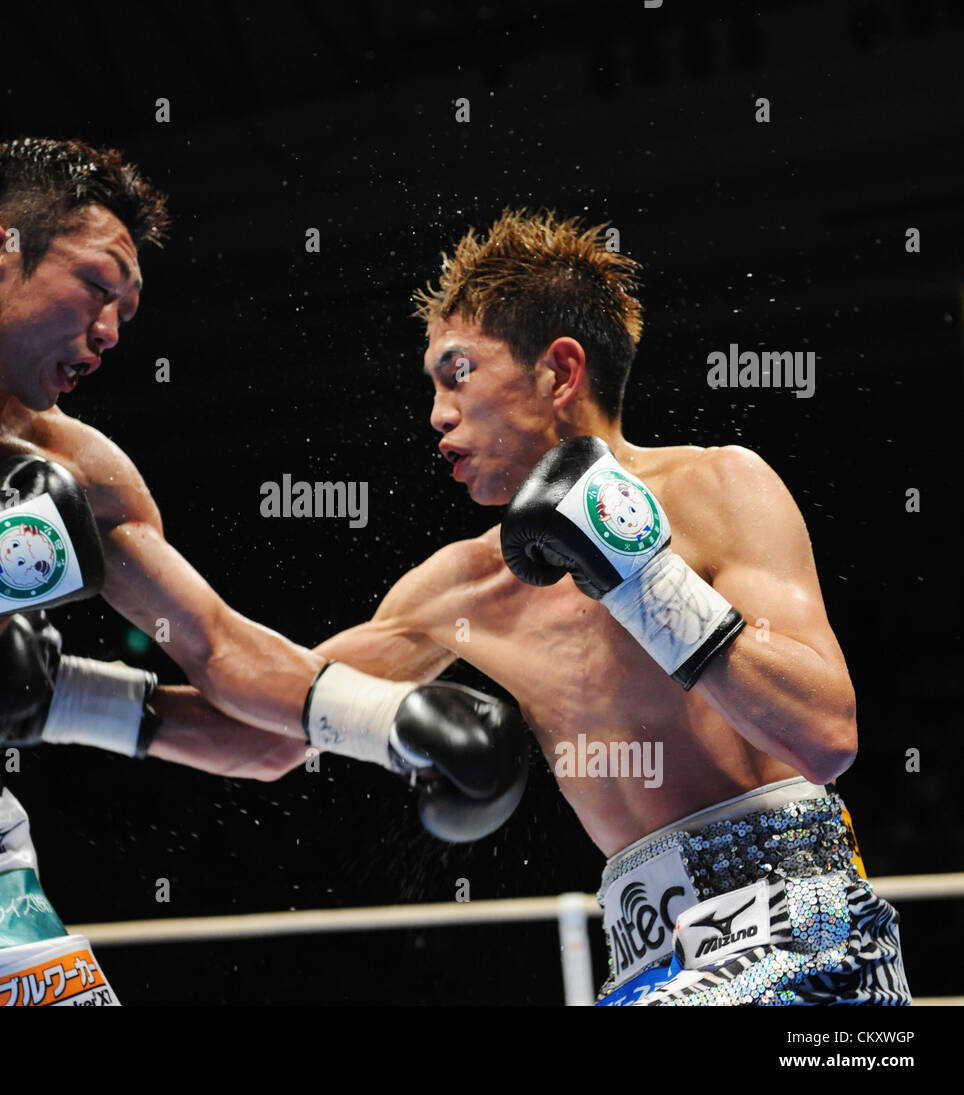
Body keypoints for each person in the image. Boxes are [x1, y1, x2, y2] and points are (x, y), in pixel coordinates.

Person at [0, 139, 527, 1007]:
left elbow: (223, 656)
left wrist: (391, 720)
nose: (111, 331)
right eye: (97, 287)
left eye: (128, 307)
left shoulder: (83, 473)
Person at [309, 209, 910, 1005]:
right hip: (644, 970)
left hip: (810, 939)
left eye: (458, 373)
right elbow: (277, 700)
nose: (437, 414)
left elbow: (827, 736)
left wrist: (642, 578)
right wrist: (95, 693)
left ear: (560, 372)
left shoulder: (720, 489)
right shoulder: (459, 589)